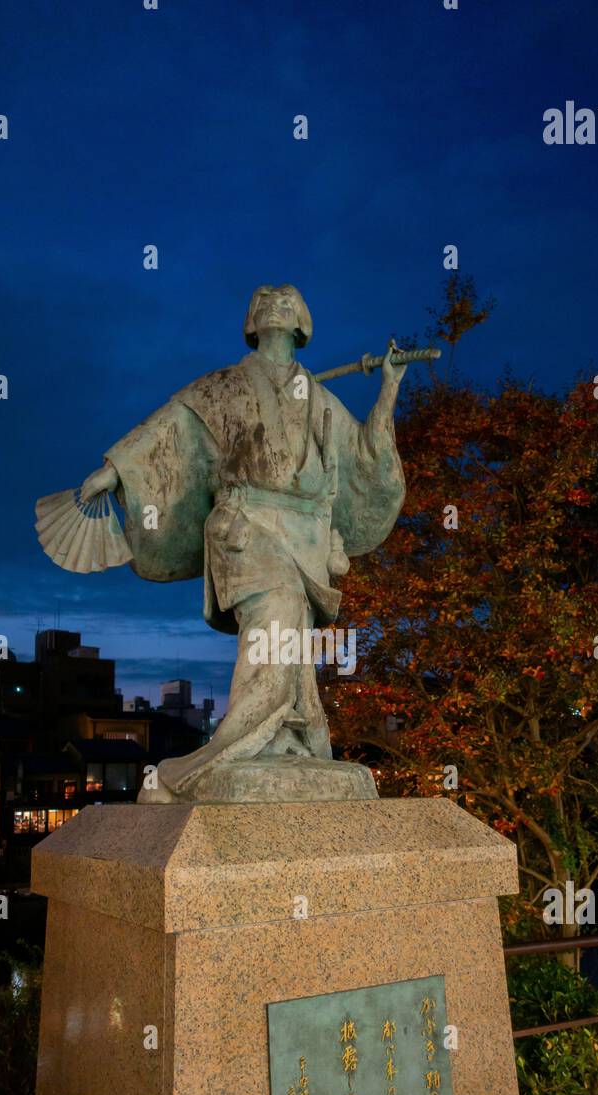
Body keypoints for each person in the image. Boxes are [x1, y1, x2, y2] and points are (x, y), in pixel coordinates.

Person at [78, 285, 406, 801]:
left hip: (305, 535)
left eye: (287, 300)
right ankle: (220, 757)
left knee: (293, 634)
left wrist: (387, 389)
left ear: (302, 320)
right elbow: (171, 424)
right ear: (252, 320)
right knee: (277, 609)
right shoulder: (224, 387)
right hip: (244, 527)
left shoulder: (316, 396)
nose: (275, 304)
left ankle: (287, 738)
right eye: (264, 301)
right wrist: (115, 469)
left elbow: (364, 453)